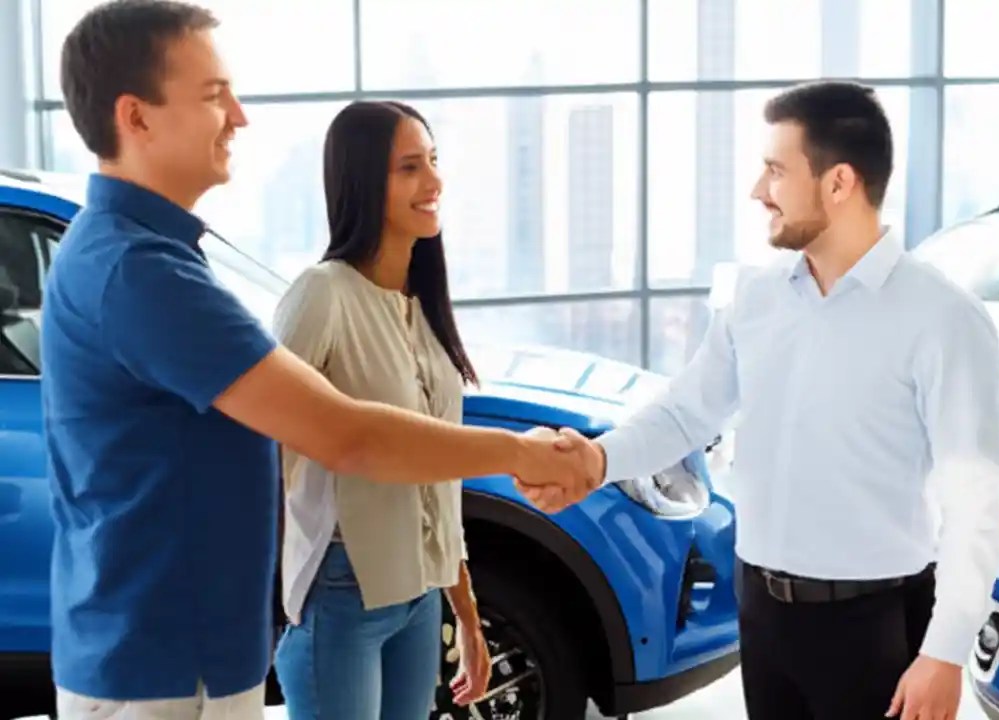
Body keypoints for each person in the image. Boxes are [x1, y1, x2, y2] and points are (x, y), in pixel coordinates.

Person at [41, 2, 594, 717]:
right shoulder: (139, 272)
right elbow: (344, 437)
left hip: (195, 654)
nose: (238, 116)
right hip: (164, 667)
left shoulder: (152, 257)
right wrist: (524, 453)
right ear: (136, 116)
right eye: (214, 96)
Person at [524, 80, 999, 720]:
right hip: (764, 615)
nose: (759, 191)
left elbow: (975, 501)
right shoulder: (756, 297)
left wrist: (944, 653)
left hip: (876, 625)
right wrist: (596, 462)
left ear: (839, 183)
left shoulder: (943, 318)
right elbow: (686, 411)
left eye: (776, 170)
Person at [270, 100, 490, 719]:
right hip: (342, 592)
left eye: (435, 162)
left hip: (421, 596)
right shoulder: (323, 293)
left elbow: (438, 478)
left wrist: (466, 615)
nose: (435, 182)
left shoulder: (422, 304)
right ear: (364, 180)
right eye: (410, 167)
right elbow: (265, 445)